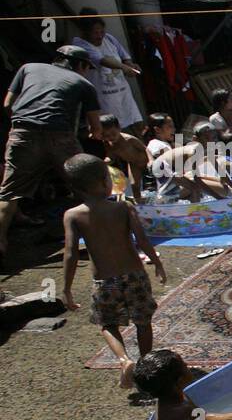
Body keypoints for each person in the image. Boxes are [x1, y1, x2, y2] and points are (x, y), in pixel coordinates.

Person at [60, 154, 166, 388]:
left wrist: (66, 288)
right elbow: (142, 239)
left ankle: (123, 359)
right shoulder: (123, 207)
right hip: (135, 276)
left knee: (107, 324)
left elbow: (70, 254)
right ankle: (145, 363)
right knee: (143, 322)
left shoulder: (73, 215)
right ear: (103, 182)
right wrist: (156, 263)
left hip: (105, 282)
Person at [0, 45, 101, 266]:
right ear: (81, 65)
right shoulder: (83, 84)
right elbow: (96, 128)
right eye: (87, 67)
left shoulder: (28, 68)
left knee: (9, 192)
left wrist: (25, 124)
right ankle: (97, 241)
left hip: (23, 132)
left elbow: (8, 104)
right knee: (84, 186)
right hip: (61, 135)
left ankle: (1, 243)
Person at [71, 12, 142, 131]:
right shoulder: (79, 44)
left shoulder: (109, 38)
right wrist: (124, 68)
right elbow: (102, 60)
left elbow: (124, 56)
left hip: (123, 94)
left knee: (137, 125)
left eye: (101, 32)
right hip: (104, 99)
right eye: (95, 33)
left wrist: (131, 65)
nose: (100, 36)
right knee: (113, 131)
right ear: (85, 32)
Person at [99, 114, 150, 200]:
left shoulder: (128, 139)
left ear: (119, 128)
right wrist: (105, 162)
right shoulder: (107, 143)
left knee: (159, 178)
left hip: (145, 160)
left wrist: (151, 161)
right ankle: (139, 204)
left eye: (113, 133)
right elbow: (111, 156)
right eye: (106, 135)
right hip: (133, 164)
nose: (111, 137)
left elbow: (145, 149)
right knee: (134, 185)